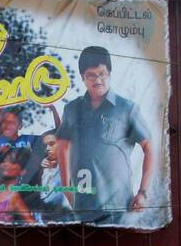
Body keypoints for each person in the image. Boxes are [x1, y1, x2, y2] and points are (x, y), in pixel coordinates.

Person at [56, 44, 157, 225]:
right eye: (91, 75)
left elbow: (149, 148)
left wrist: (143, 192)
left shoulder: (127, 109)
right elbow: (62, 147)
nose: (98, 80)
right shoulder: (72, 109)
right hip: (83, 207)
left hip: (120, 207)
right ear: (82, 78)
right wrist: (66, 188)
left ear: (110, 73)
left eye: (102, 73)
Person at [0, 147, 35, 224]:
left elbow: (32, 222)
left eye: (13, 162)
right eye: (5, 160)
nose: (6, 164)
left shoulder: (14, 197)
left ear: (23, 171)